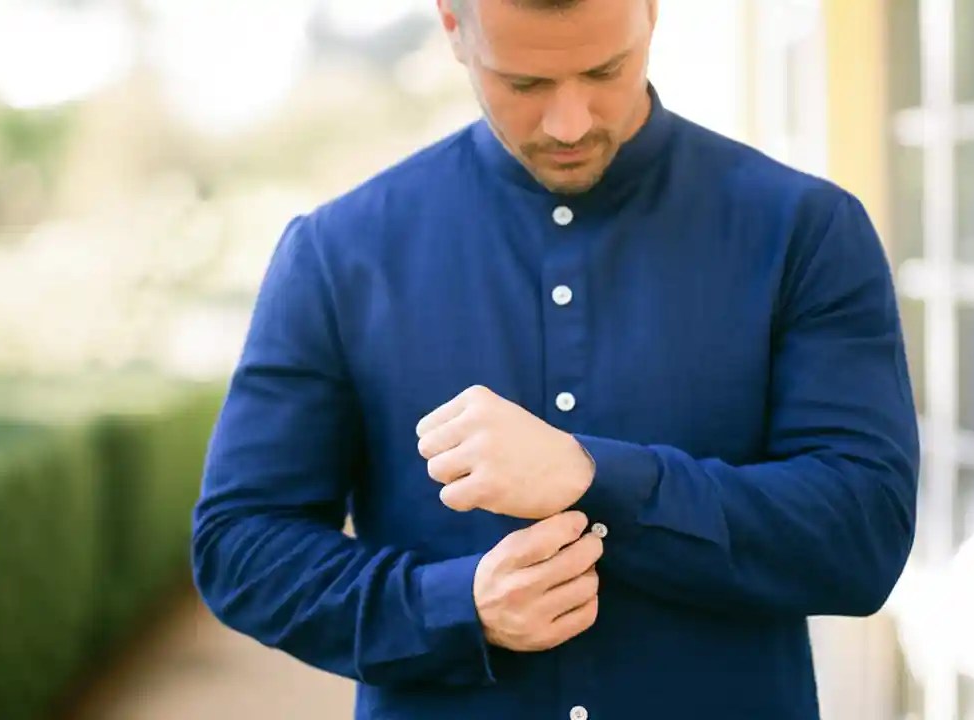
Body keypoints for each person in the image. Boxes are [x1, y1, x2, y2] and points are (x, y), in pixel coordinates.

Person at [190, 0, 920, 717]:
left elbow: (863, 535)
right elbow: (242, 548)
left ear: (651, 12)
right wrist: (453, 608)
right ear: (453, 25)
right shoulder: (337, 254)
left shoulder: (806, 232)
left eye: (607, 70)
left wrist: (593, 477)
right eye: (525, 84)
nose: (570, 123)